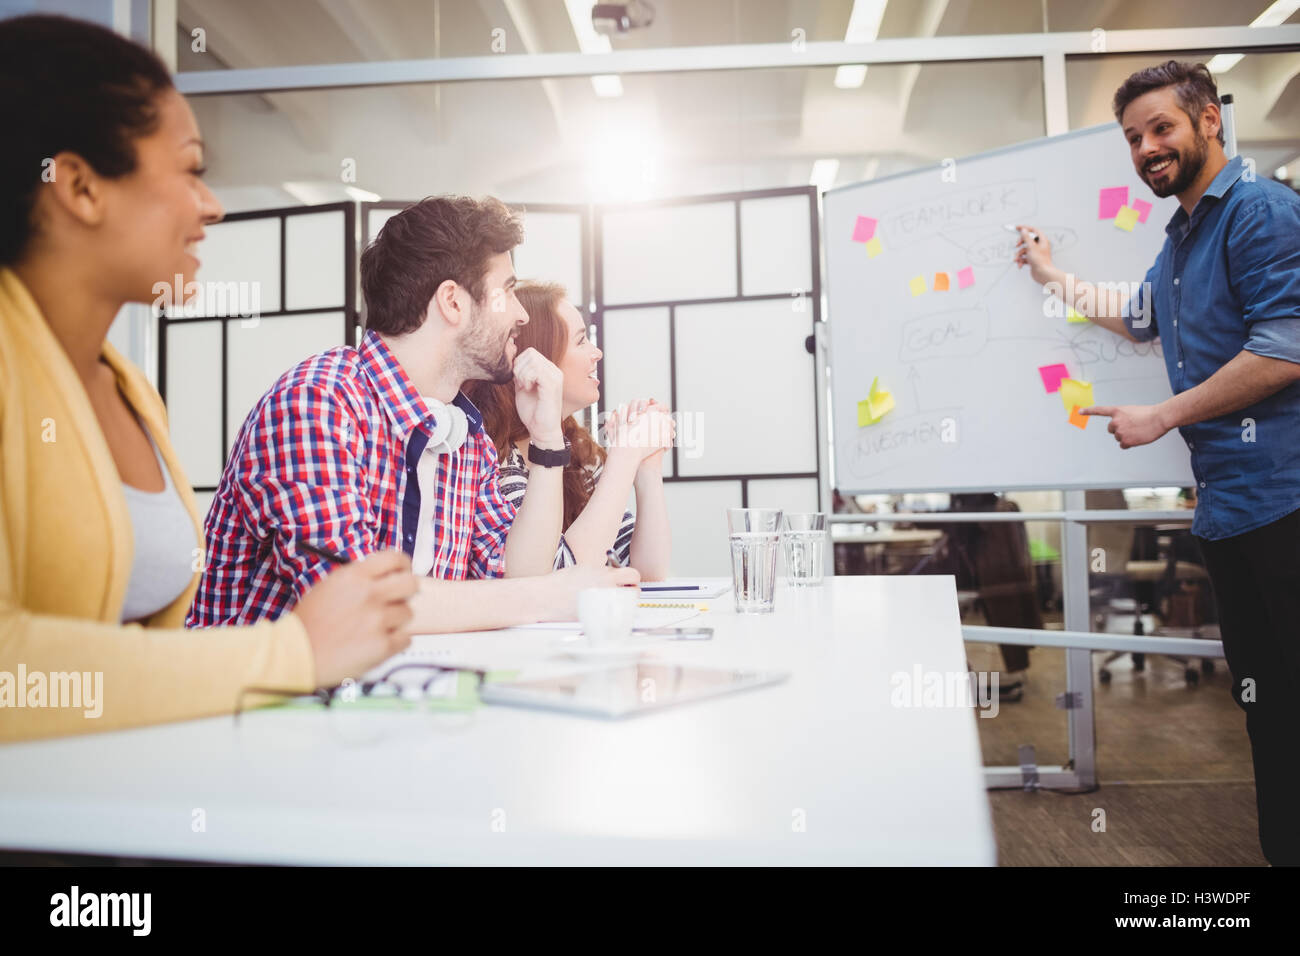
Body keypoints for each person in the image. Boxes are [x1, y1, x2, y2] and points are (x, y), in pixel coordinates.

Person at [0, 14, 419, 742]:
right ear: (79, 186)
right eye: (191, 169)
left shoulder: (129, 390)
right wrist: (292, 651)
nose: (212, 206)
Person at [1014, 60, 1300, 865]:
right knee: (1268, 709)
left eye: (1161, 128)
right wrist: (1049, 275)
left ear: (1210, 120)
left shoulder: (1261, 213)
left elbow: (1287, 347)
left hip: (1287, 504)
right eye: (1134, 137)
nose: (1147, 148)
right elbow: (1138, 317)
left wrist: (1165, 414)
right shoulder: (1181, 238)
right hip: (1233, 510)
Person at [189, 198, 638, 632]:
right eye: (507, 291)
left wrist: (545, 440)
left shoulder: (464, 435)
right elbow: (358, 604)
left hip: (389, 696)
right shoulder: (317, 401)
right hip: (257, 701)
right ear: (453, 302)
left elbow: (515, 576)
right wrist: (549, 596)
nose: (520, 315)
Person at [466, 282, 673, 577]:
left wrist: (646, 466)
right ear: (541, 359)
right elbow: (556, 575)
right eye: (581, 341)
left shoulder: (575, 449)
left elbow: (649, 570)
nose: (597, 352)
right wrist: (625, 455)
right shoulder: (494, 456)